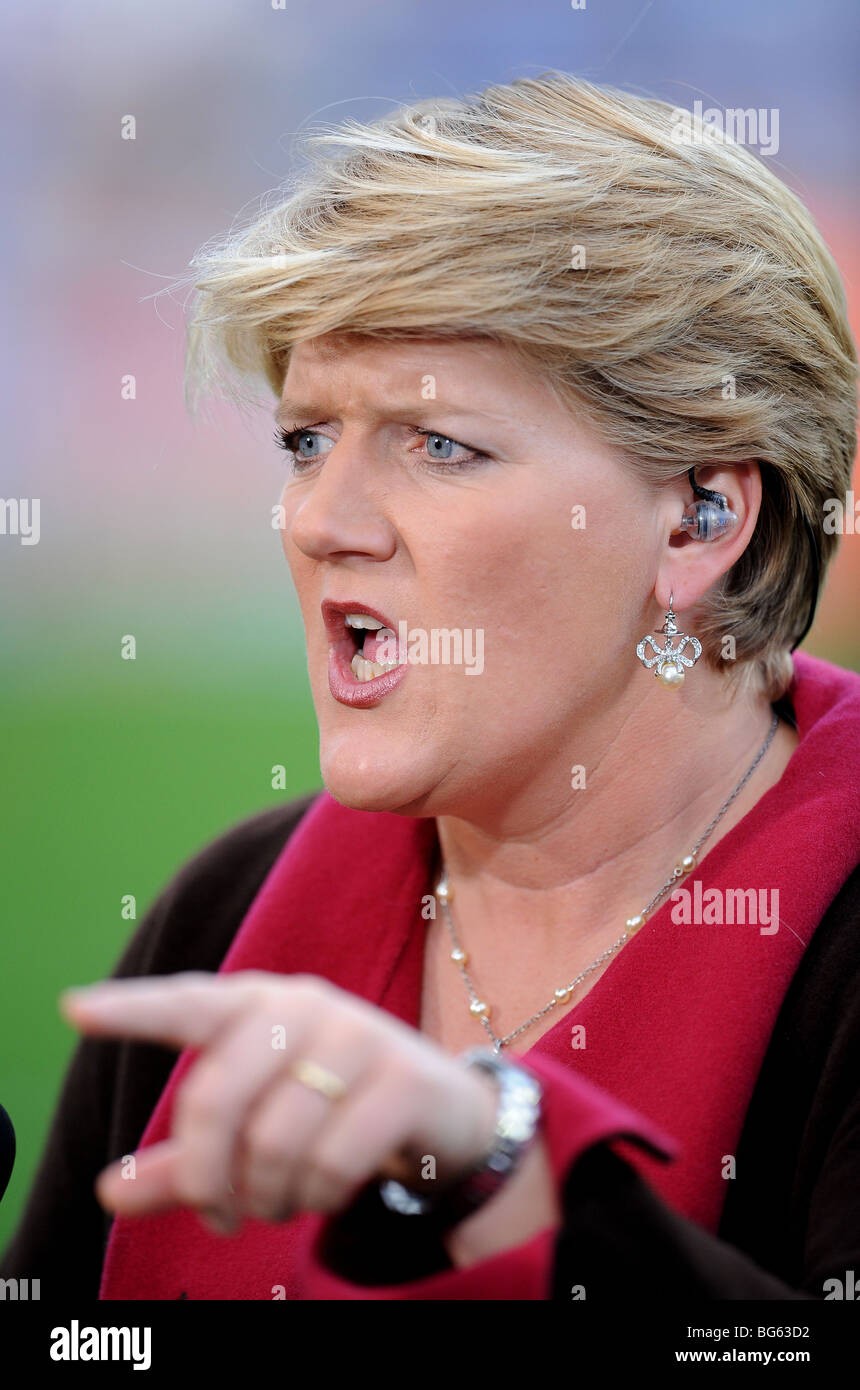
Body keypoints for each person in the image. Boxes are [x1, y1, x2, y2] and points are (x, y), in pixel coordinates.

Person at [2, 73, 859, 1301]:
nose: (318, 520)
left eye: (437, 444)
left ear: (700, 517)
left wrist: (498, 1176)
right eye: (306, 440)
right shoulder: (222, 912)